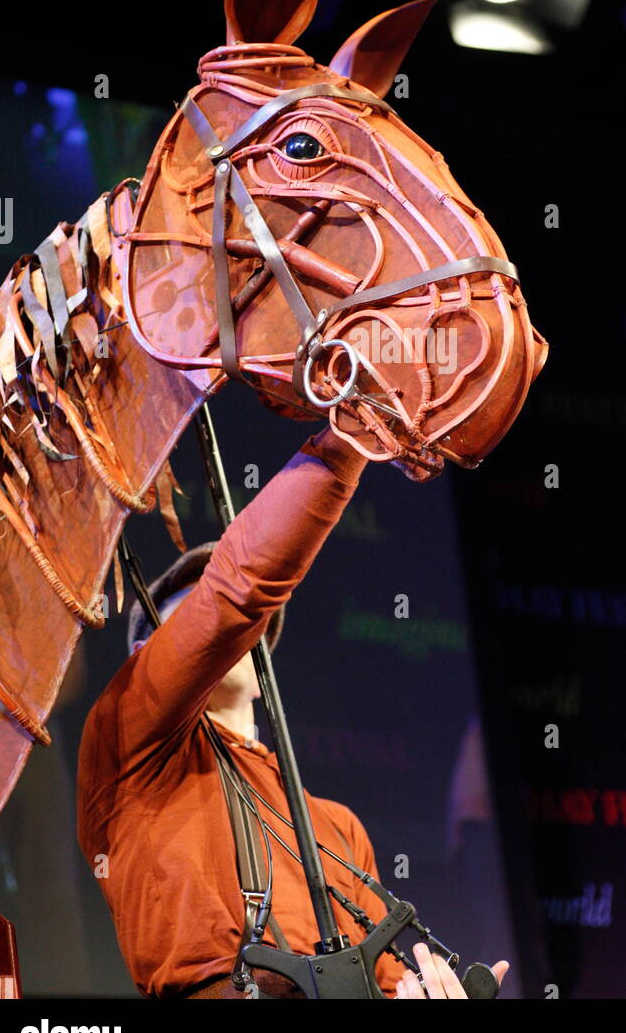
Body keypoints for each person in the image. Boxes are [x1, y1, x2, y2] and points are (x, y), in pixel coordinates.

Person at [77, 424, 508, 1000]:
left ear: (263, 680)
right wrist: (352, 437)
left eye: (252, 633)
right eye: (194, 614)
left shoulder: (337, 829)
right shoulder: (125, 736)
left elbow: (381, 985)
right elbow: (236, 593)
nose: (234, 634)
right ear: (144, 655)